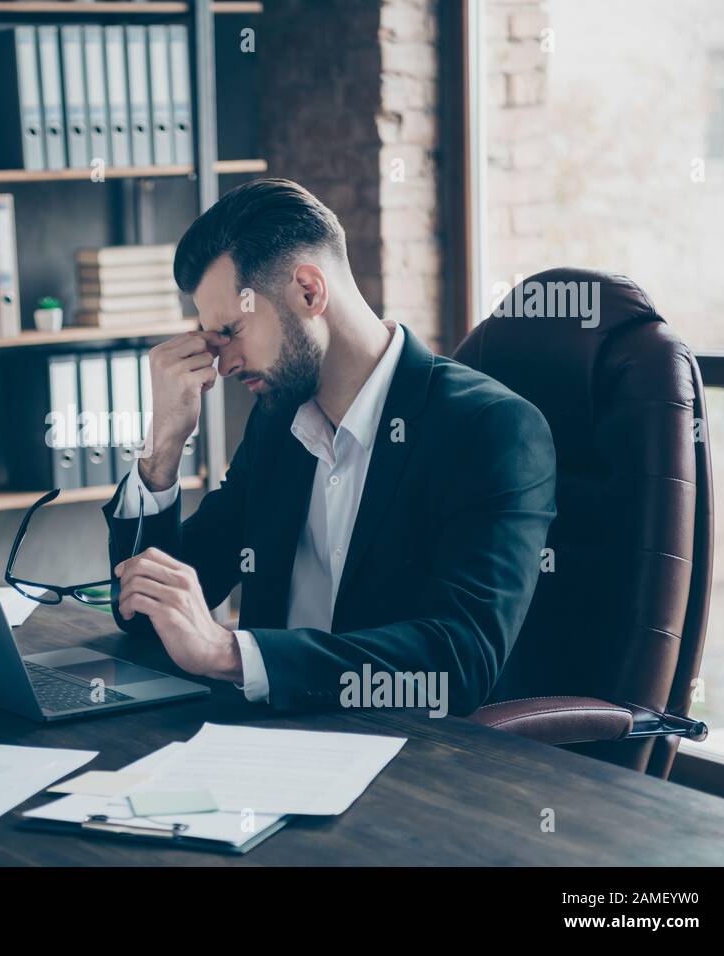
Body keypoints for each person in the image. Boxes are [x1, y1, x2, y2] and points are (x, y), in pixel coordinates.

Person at [103, 178, 556, 715]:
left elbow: (460, 661)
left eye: (231, 331)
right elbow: (145, 613)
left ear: (309, 292)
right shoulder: (278, 422)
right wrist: (163, 450)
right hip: (264, 742)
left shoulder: (490, 430)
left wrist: (231, 654)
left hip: (411, 761)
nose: (222, 365)